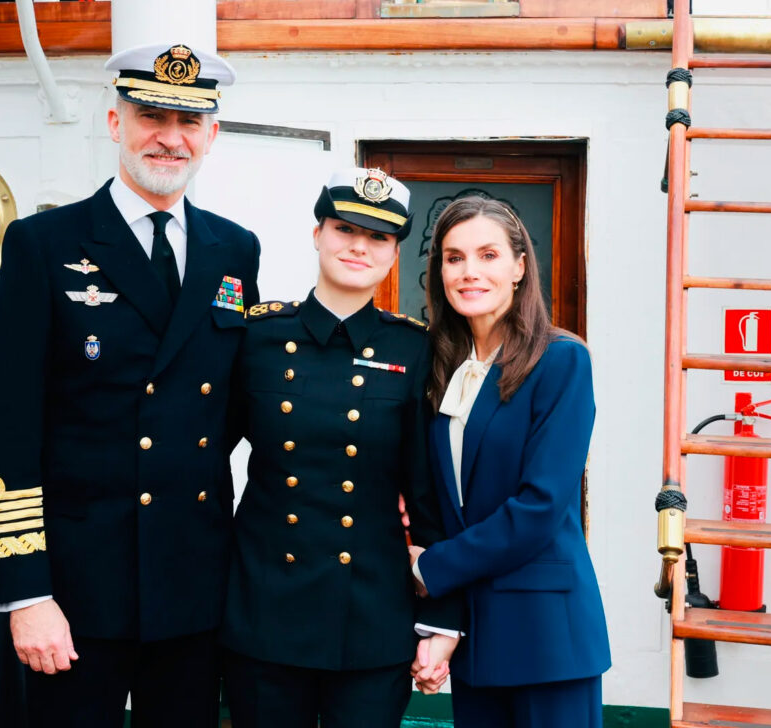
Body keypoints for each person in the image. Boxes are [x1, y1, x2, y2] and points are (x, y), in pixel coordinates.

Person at [0, 42, 261, 728]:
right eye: (151, 117)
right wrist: (25, 593)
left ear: (211, 135)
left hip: (193, 581)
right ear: (115, 123)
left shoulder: (236, 248)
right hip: (77, 588)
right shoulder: (44, 244)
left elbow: (242, 403)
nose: (170, 138)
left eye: (189, 122)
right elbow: (8, 425)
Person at [220, 168, 458, 728]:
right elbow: (200, 459)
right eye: (344, 228)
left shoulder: (415, 348)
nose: (359, 245)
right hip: (265, 608)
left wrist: (441, 617)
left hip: (372, 613)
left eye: (378, 237)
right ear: (317, 234)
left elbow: (429, 495)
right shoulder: (255, 338)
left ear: (395, 252)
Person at [408, 196, 610, 727]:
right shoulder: (437, 363)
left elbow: (540, 506)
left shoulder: (562, 360)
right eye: (453, 258)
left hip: (547, 636)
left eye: (488, 255)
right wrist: (441, 625)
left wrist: (431, 568)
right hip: (477, 637)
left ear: (520, 267)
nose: (469, 272)